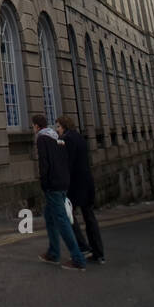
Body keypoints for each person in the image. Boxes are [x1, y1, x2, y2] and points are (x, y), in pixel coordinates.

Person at [32, 114, 87, 270]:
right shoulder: (57, 138)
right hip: (63, 182)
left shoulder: (42, 139)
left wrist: (44, 183)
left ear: (36, 126)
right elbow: (64, 161)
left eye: (33, 126)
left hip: (53, 185)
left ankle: (78, 258)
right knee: (49, 216)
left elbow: (44, 163)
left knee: (61, 220)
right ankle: (53, 252)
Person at [56, 114, 104, 264]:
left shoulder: (66, 139)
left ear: (64, 126)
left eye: (58, 126)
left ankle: (83, 246)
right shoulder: (80, 138)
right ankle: (98, 253)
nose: (56, 130)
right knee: (89, 217)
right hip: (87, 182)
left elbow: (66, 164)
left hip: (75, 185)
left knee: (67, 214)